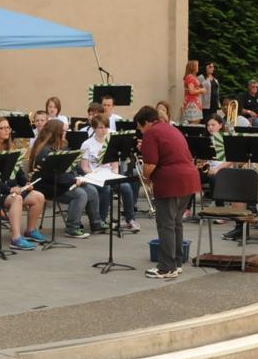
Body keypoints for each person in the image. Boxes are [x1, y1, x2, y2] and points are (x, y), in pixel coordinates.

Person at [135, 104, 199, 278]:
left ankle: (166, 267)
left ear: (147, 122)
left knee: (166, 224)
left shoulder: (151, 133)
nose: (141, 131)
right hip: (189, 179)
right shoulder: (171, 129)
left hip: (170, 182)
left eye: (140, 127)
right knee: (176, 223)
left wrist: (146, 178)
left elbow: (150, 165)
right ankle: (177, 262)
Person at [0, 116, 47, 249]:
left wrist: (26, 183)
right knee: (17, 199)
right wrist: (10, 189)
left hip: (9, 188)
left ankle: (30, 230)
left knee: (38, 196)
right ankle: (16, 238)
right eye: (2, 128)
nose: (6, 130)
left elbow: (18, 171)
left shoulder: (11, 146)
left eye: (8, 127)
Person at [28, 119, 101, 238]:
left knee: (91, 190)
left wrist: (82, 176)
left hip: (61, 181)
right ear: (57, 132)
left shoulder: (62, 146)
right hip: (47, 185)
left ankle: (96, 223)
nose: (66, 133)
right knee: (80, 194)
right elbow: (53, 175)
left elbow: (71, 167)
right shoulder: (45, 151)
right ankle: (72, 228)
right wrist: (74, 180)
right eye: (64, 131)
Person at [80, 116, 140, 233]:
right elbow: (84, 167)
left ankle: (130, 219)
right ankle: (101, 220)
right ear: (94, 129)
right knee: (106, 189)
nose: (104, 130)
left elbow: (115, 166)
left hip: (109, 175)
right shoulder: (87, 144)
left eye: (106, 127)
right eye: (100, 128)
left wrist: (114, 177)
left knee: (126, 187)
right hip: (94, 177)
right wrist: (94, 175)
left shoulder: (112, 142)